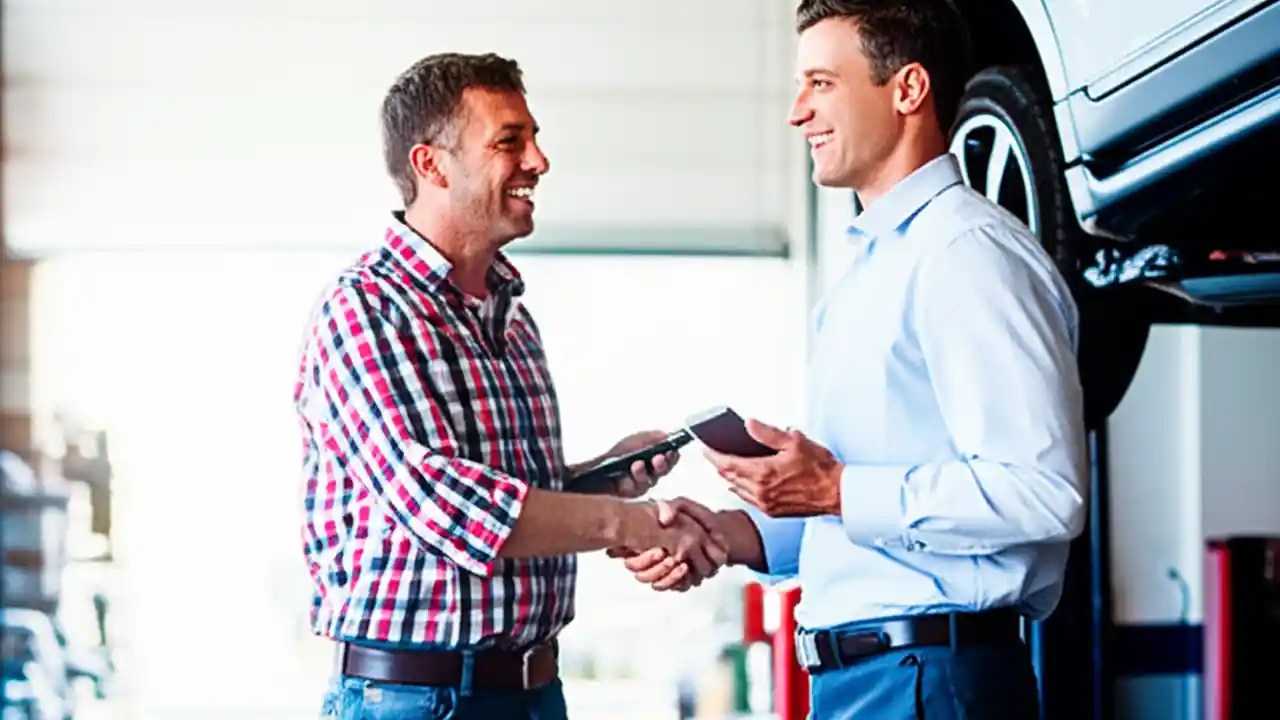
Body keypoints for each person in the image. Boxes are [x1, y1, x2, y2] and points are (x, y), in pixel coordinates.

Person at [616, 1, 1088, 717]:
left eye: (821, 83)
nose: (796, 112)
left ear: (907, 90)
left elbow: (1044, 494)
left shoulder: (966, 256)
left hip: (928, 680)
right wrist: (725, 535)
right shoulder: (875, 266)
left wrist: (835, 488)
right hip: (873, 678)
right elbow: (869, 520)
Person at [293, 52, 726, 720]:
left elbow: (504, 496)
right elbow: (440, 498)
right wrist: (633, 524)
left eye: (535, 137)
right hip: (414, 699)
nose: (539, 161)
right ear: (430, 165)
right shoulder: (365, 308)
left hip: (532, 692)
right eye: (509, 141)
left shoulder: (512, 320)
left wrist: (600, 481)